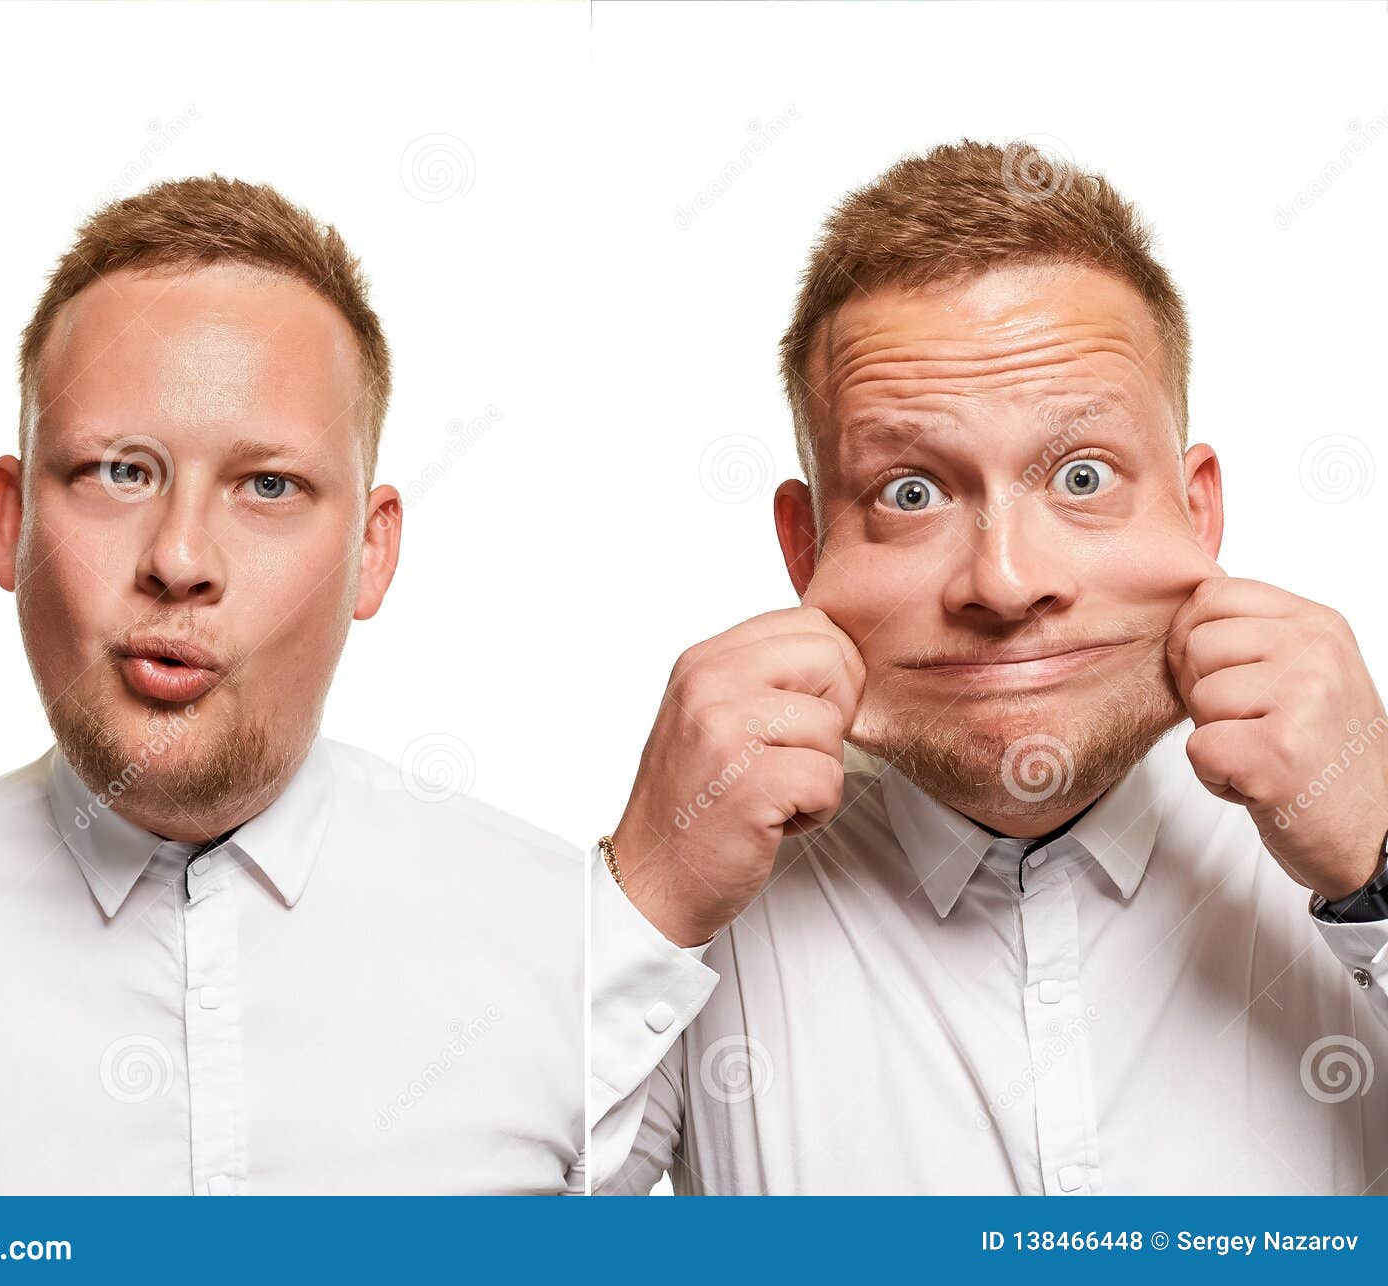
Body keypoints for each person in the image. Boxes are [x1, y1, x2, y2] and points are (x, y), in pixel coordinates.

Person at [591, 141, 1388, 1195]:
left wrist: (1378, 866)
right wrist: (641, 904)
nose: (1005, 582)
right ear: (804, 548)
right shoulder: (692, 911)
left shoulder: (1355, 829)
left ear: (1197, 513)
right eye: (909, 493)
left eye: (1082, 473)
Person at [0, 176, 583, 1195]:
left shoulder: (575, 943)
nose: (178, 556)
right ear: (9, 522)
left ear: (372, 553)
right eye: (119, 470)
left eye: (268, 485)